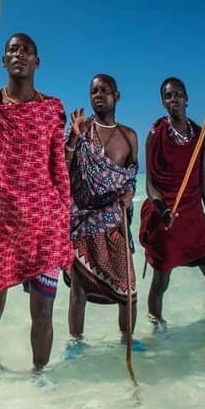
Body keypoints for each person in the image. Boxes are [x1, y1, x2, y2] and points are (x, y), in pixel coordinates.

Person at [0, 33, 73, 372]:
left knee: (42, 313)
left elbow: (57, 167)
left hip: (44, 224)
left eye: (27, 50)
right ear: (3, 61)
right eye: (12, 50)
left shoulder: (53, 110)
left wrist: (63, 218)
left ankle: (40, 377)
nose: (19, 54)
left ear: (37, 62)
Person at [139, 77, 205, 326]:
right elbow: (150, 185)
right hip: (166, 217)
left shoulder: (199, 134)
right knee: (161, 283)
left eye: (177, 95)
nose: (173, 99)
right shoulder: (155, 134)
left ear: (187, 99)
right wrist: (162, 210)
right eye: (168, 96)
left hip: (193, 217)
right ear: (163, 102)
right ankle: (156, 326)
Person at [63, 74, 139, 346]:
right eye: (93, 90)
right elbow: (62, 169)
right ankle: (76, 344)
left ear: (116, 96)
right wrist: (74, 137)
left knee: (127, 289)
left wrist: (129, 195)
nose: (98, 94)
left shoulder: (129, 136)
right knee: (78, 291)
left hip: (115, 222)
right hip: (81, 221)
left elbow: (131, 177)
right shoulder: (81, 130)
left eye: (104, 90)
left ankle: (127, 341)